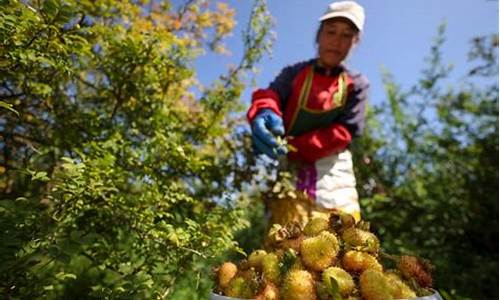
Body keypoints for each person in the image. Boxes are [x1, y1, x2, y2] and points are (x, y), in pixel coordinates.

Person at [247, 1, 369, 228]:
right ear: (319, 35)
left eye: (346, 35)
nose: (336, 41)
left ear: (355, 43)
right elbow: (271, 95)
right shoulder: (294, 72)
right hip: (290, 173)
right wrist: (265, 110)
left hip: (333, 171)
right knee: (288, 240)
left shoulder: (357, 84)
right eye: (331, 32)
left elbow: (344, 131)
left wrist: (295, 147)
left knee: (342, 237)